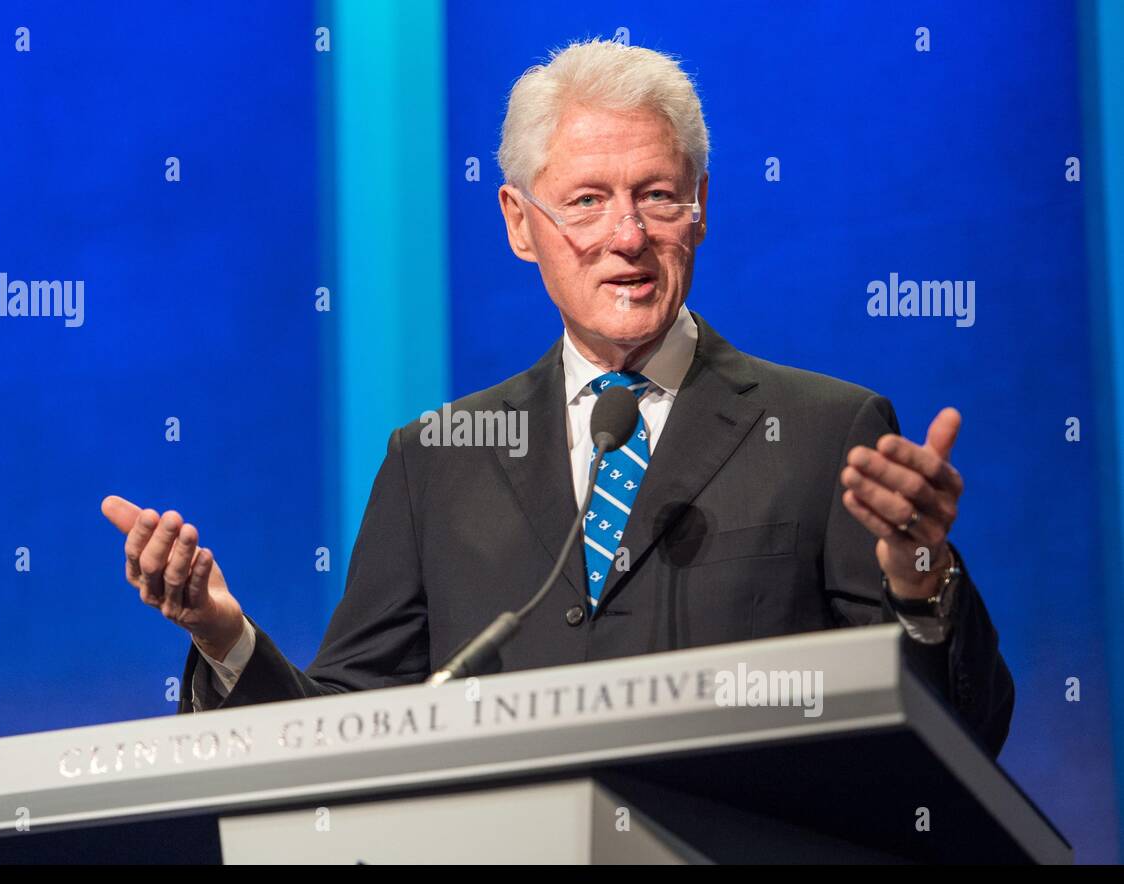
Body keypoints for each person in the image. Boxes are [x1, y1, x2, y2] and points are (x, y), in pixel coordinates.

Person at [102, 40, 1013, 756]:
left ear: (704, 206)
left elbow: (960, 735)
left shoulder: (827, 434)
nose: (627, 236)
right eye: (585, 201)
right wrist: (223, 633)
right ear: (518, 224)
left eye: (658, 197)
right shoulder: (436, 460)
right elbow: (345, 734)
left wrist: (917, 576)